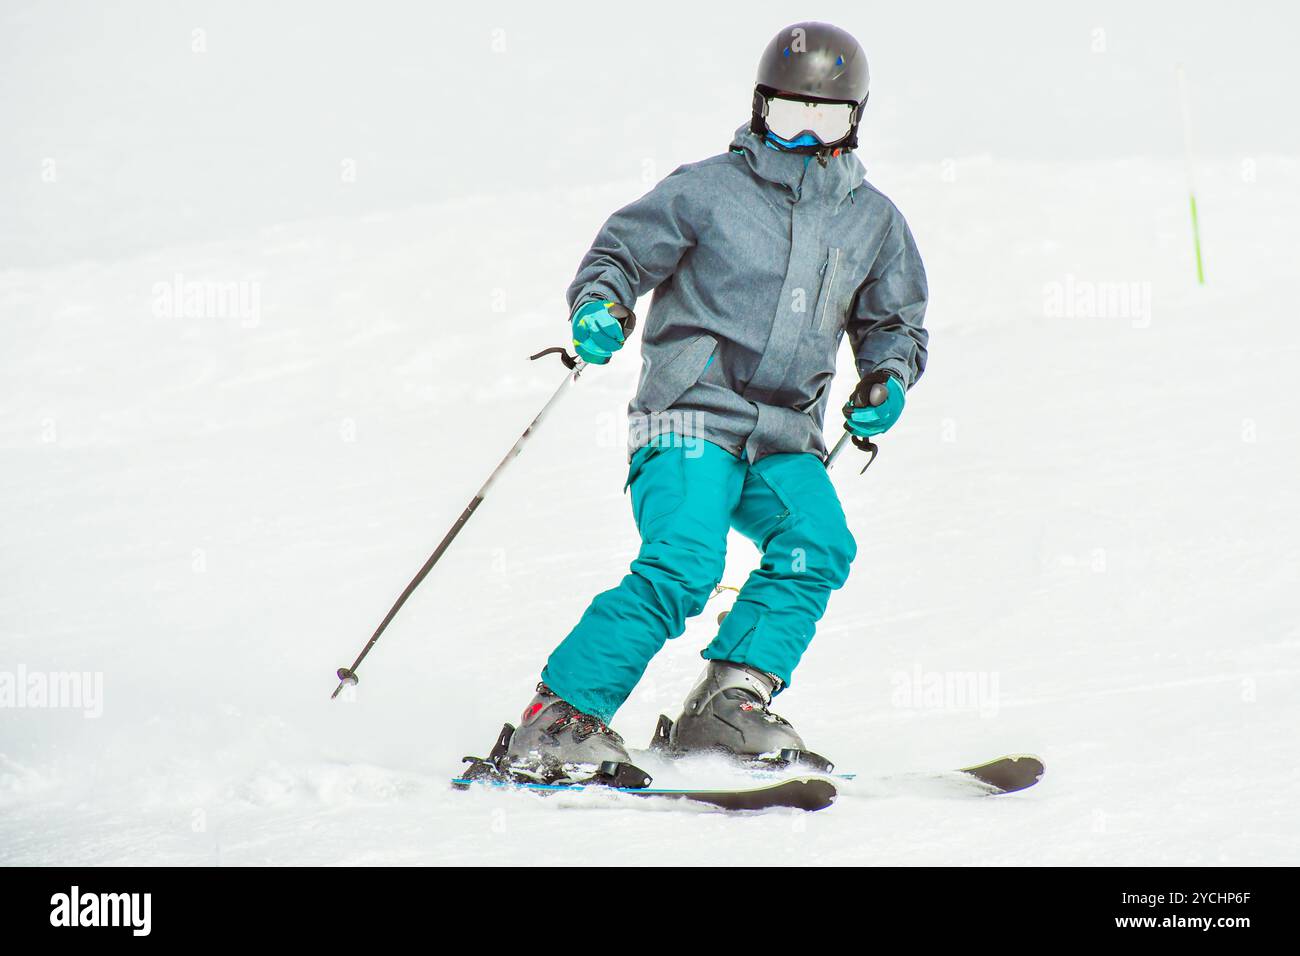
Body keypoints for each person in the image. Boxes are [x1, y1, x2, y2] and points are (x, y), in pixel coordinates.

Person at [505, 21, 929, 782]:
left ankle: (728, 701)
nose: (802, 135)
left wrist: (887, 379)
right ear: (759, 108)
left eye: (823, 120)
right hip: (689, 415)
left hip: (784, 434)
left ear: (855, 122)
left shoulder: (874, 222)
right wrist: (599, 307)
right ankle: (560, 716)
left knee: (818, 545)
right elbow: (621, 253)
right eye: (787, 115)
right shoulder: (707, 190)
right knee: (685, 563)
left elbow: (892, 323)